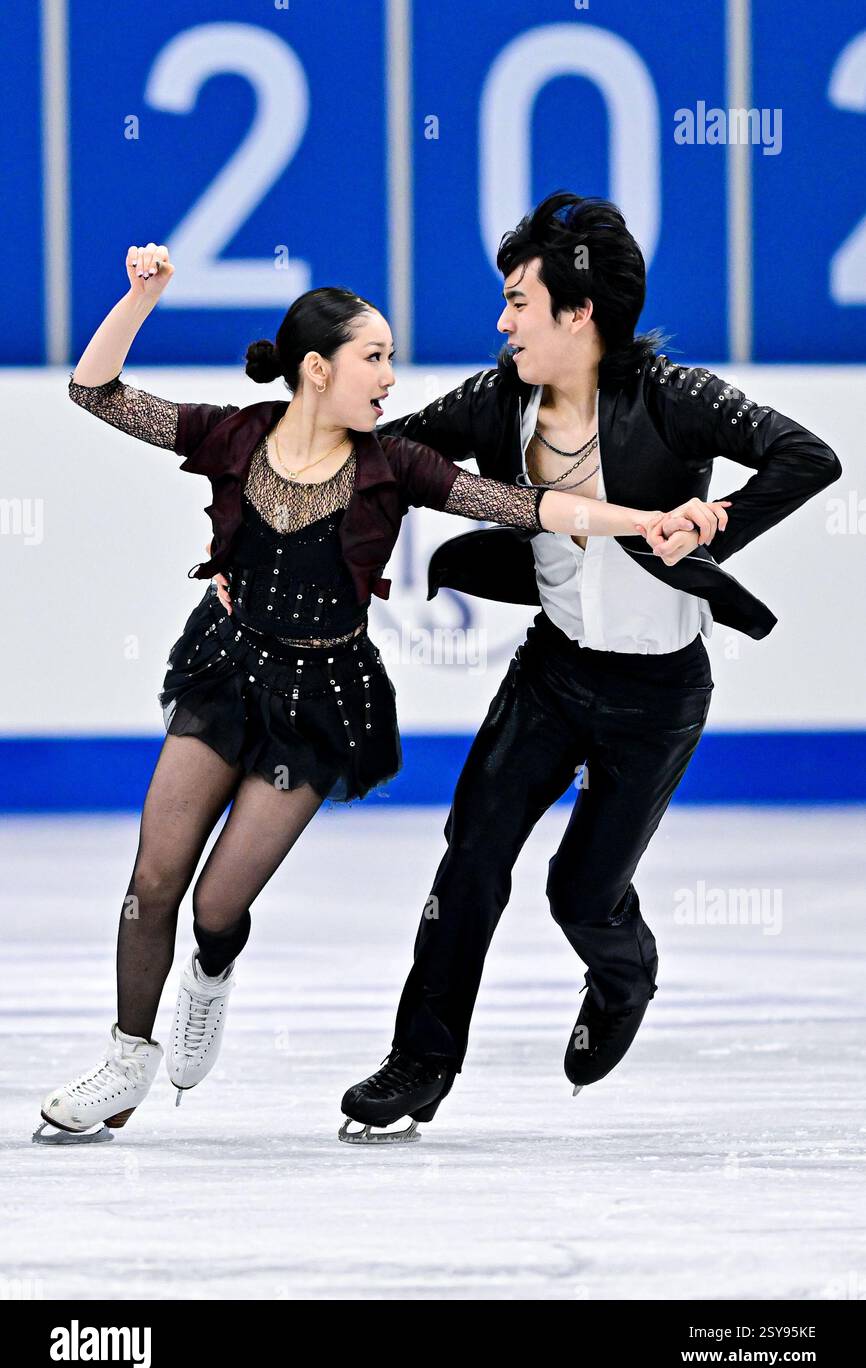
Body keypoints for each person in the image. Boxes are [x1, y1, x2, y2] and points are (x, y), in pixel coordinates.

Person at [33, 240, 701, 1144]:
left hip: (319, 704)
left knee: (214, 906)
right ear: (317, 370)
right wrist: (142, 297)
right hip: (225, 673)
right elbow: (95, 390)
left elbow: (533, 508)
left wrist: (645, 521)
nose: (392, 375)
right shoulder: (233, 435)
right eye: (374, 357)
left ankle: (211, 974)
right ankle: (125, 1061)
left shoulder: (395, 468)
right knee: (153, 880)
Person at [335, 192, 842, 1144]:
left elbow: (806, 455)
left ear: (580, 314)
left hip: (659, 694)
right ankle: (421, 1062)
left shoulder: (673, 397)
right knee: (474, 851)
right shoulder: (497, 400)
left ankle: (625, 970)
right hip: (552, 672)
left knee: (580, 892)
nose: (502, 321)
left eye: (518, 302)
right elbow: (389, 458)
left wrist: (718, 524)